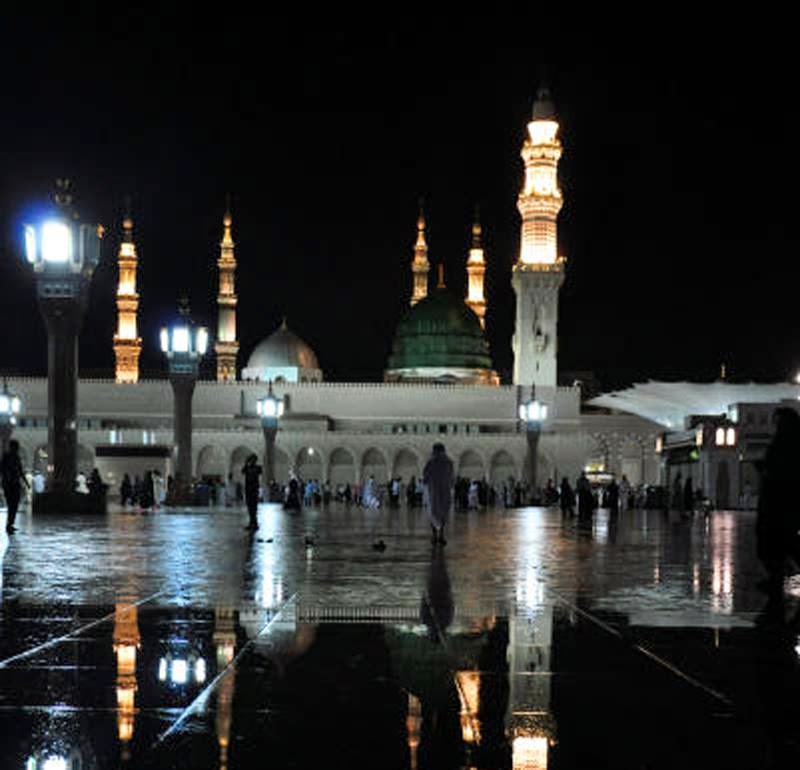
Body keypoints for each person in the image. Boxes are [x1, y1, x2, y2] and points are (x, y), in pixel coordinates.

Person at [757, 407, 800, 591]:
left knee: (776, 541)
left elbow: (781, 471)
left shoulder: (784, 444)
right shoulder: (792, 443)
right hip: (784, 502)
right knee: (784, 542)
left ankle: (776, 578)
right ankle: (776, 576)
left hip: (779, 501)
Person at [423, 443, 454, 545]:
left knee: (433, 511)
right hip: (445, 491)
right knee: (443, 512)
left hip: (433, 490)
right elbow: (451, 477)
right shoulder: (448, 462)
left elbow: (425, 476)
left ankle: (434, 535)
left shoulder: (431, 462)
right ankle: (441, 534)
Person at [1, 440, 28, 534]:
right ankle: (9, 524)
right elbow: (2, 469)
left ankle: (10, 524)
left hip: (13, 483)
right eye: (16, 447)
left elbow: (20, 470)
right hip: (10, 484)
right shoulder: (7, 457)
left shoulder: (15, 457)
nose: (17, 449)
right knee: (12, 504)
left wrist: (26, 482)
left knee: (14, 504)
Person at [242, 454, 262, 530]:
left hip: (254, 490)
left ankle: (254, 523)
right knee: (249, 507)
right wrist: (246, 463)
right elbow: (243, 471)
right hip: (248, 489)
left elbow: (259, 472)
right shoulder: (247, 468)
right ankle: (252, 523)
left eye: (252, 459)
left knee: (254, 507)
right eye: (250, 459)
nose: (251, 461)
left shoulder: (258, 468)